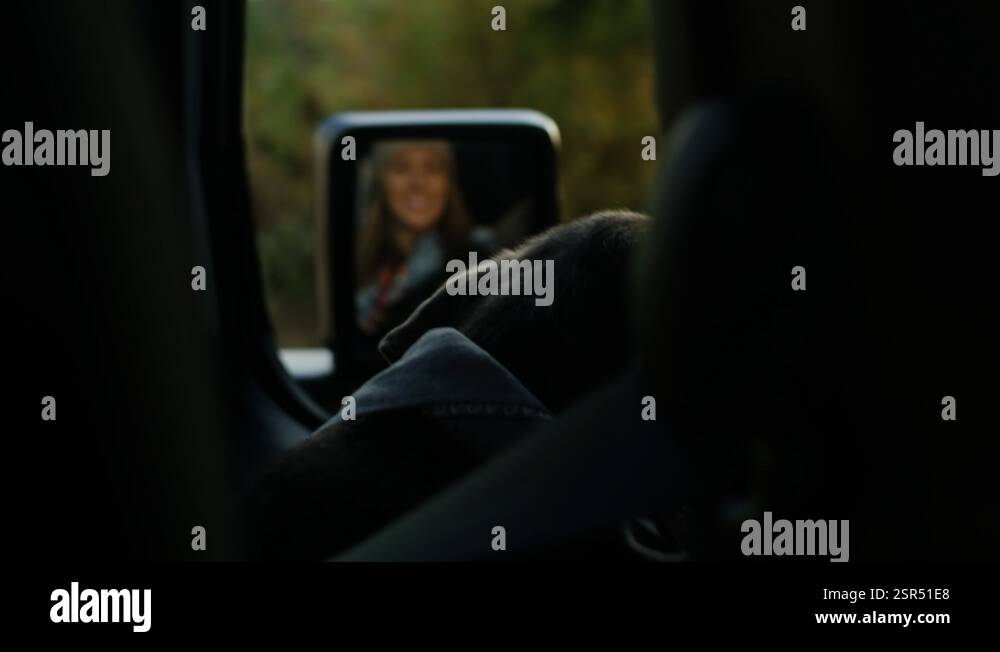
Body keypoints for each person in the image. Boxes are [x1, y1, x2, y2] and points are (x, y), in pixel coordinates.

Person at [356, 140, 496, 336]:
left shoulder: (478, 261)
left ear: (448, 183)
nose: (417, 183)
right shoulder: (359, 259)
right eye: (401, 168)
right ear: (381, 182)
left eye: (431, 169)